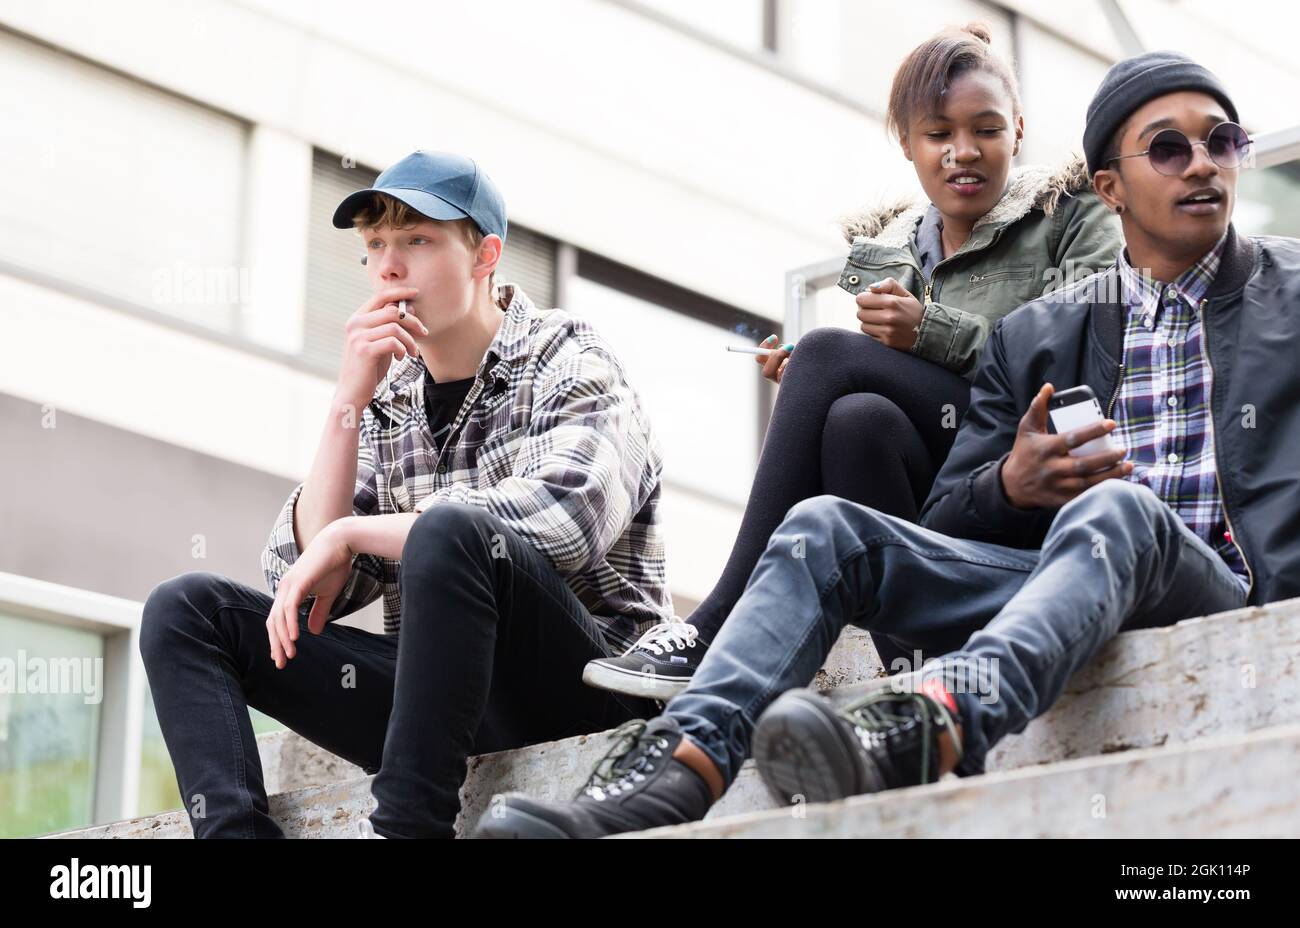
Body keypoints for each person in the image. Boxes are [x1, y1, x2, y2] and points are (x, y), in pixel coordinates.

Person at [475, 52, 1300, 839]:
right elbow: (946, 518)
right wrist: (1010, 487)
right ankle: (675, 768)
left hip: (1231, 590)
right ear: (1110, 186)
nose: (1203, 164)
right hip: (1067, 583)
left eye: (1222, 141)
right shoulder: (1042, 333)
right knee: (823, 528)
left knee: (1125, 510)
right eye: (1169, 147)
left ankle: (933, 719)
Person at [139, 150, 670, 838]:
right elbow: (303, 588)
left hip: (584, 690)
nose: (388, 267)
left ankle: (406, 829)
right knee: (187, 609)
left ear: (485, 256)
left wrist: (357, 533)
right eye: (376, 246)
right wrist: (346, 405)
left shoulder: (568, 355)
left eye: (417, 241)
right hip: (444, 705)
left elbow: (564, 522)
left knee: (451, 531)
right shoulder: (391, 399)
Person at [583, 22, 1120, 699]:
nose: (963, 152)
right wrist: (815, 377)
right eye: (938, 134)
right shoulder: (893, 247)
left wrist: (931, 333)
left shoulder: (1069, 210)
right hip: (939, 487)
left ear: (1017, 127)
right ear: (907, 143)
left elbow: (1081, 360)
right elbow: (880, 385)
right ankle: (911, 657)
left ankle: (718, 623)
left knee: (828, 355)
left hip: (1026, 465)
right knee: (854, 418)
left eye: (985, 130)